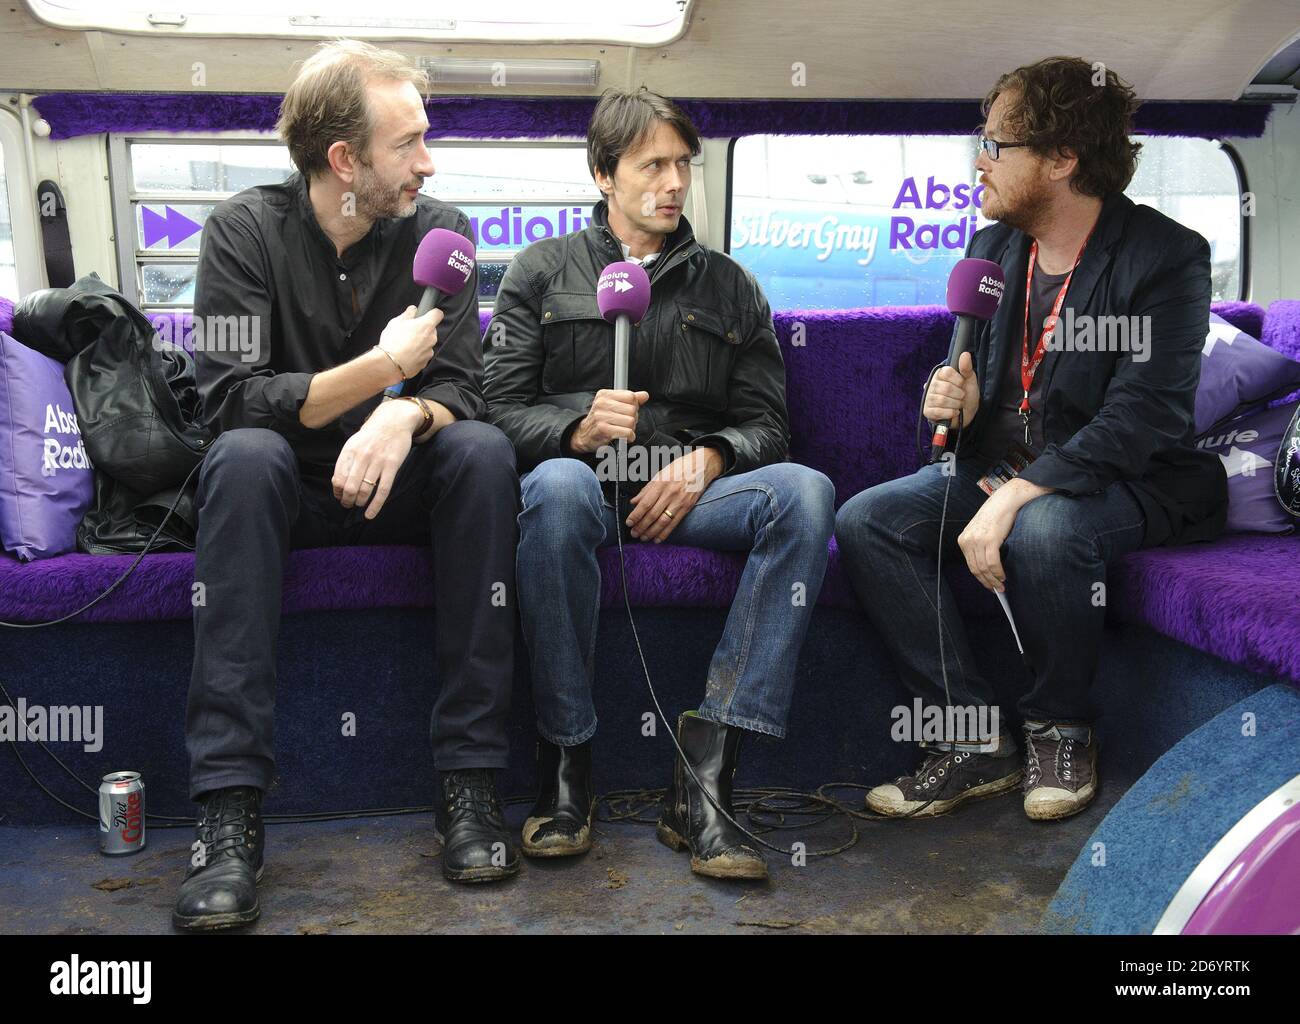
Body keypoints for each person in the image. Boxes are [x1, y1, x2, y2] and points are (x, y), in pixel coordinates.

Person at [174, 40, 521, 931]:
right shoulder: (239, 233)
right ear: (344, 161)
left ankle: (472, 787)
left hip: (396, 481)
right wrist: (376, 372)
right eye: (407, 144)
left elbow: (464, 387)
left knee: (479, 450)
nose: (427, 162)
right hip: (284, 488)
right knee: (241, 460)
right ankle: (226, 815)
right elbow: (229, 402)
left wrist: (399, 417)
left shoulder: (442, 232)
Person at [835, 57, 1226, 821]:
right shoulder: (991, 250)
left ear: (1061, 158)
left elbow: (1145, 417)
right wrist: (958, 404)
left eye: (995, 145)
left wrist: (1020, 490)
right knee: (867, 521)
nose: (979, 163)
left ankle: (1061, 729)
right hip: (1001, 466)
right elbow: (960, 418)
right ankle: (973, 742)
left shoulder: (1166, 257)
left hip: (1131, 478)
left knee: (1044, 528)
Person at [484, 88, 835, 880]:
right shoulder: (540, 273)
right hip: (579, 490)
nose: (674, 182)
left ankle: (707, 773)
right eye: (653, 165)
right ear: (604, 173)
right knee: (560, 488)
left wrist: (710, 457)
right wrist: (574, 429)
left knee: (807, 492)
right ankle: (567, 765)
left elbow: (769, 426)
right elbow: (496, 409)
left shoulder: (731, 286)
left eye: (684, 164)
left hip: (689, 493)